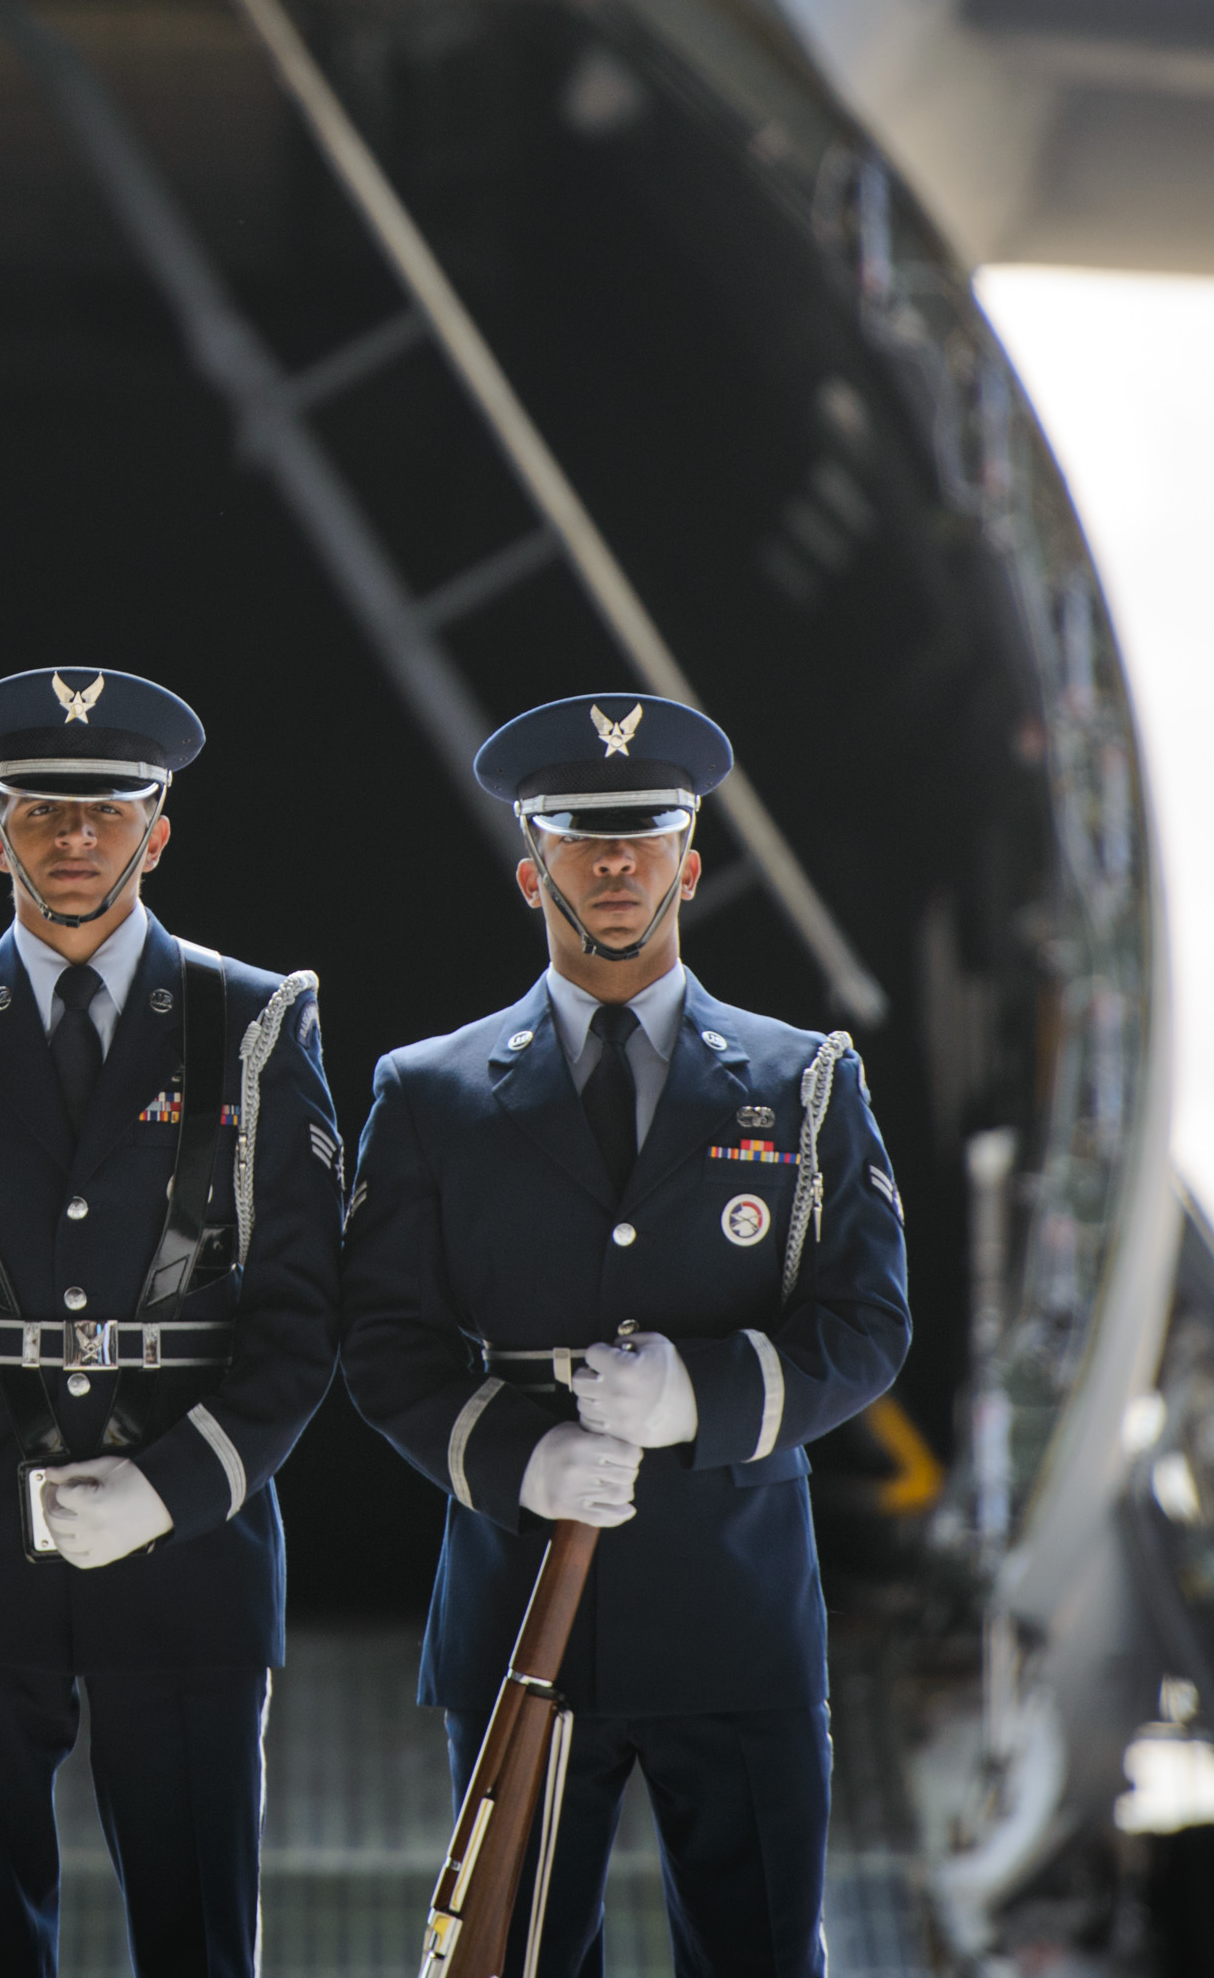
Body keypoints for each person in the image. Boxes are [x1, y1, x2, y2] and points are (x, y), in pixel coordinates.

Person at [341, 694, 912, 1978]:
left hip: (736, 1612)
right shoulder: (427, 1094)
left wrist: (696, 1398)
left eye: (642, 837)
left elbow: (868, 1325)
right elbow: (383, 1340)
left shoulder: (803, 1081)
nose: (612, 866)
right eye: (578, 839)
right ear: (527, 865)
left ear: (688, 863)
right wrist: (516, 1461)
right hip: (521, 1609)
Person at [0, 667, 342, 1978]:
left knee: (197, 1940)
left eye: (102, 811)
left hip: (189, 1539)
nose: (70, 838)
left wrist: (173, 1489)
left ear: (154, 832)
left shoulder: (256, 1024)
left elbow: (300, 1317)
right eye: (37, 810)